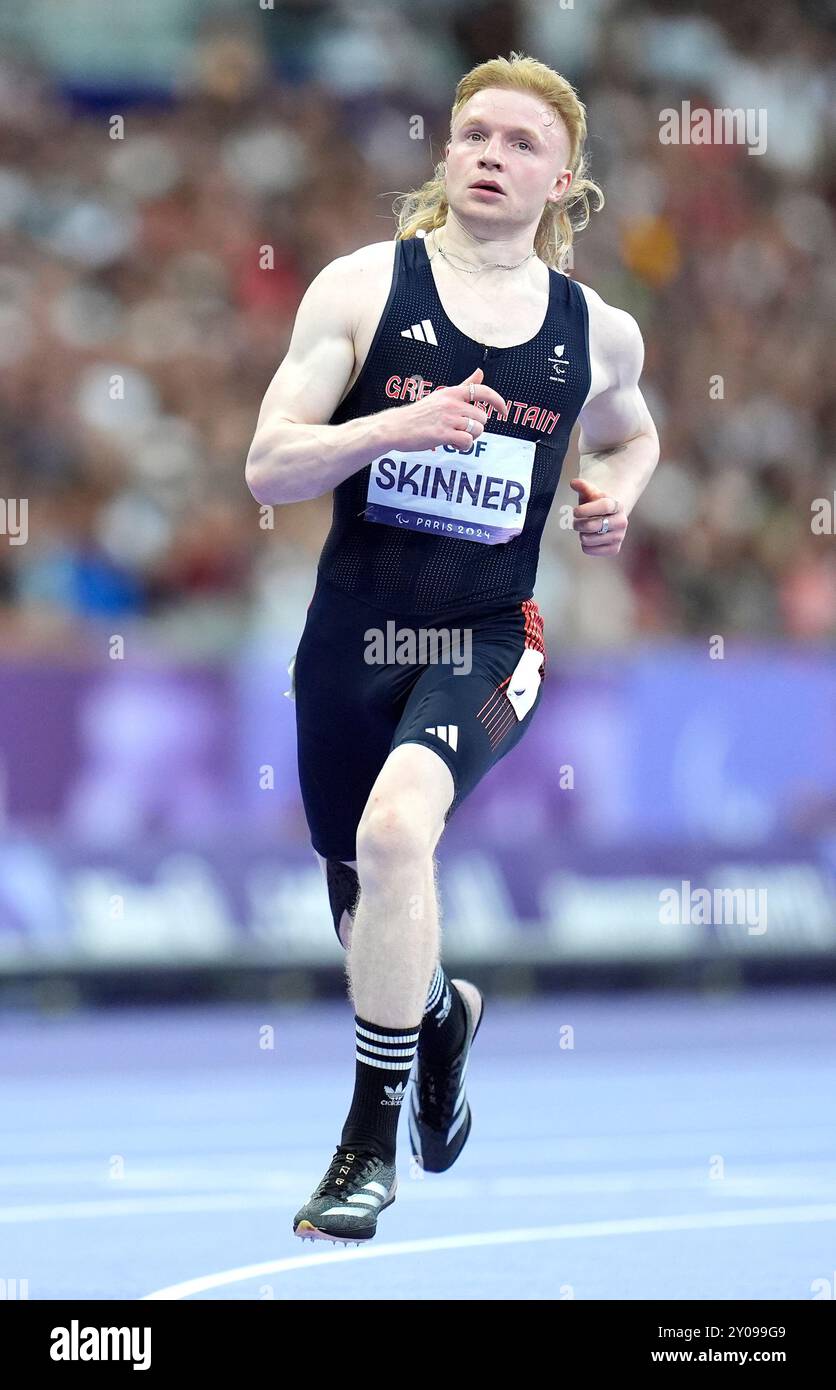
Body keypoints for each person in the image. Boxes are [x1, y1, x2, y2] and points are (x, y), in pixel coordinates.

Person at [245, 52, 659, 1244]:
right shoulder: (364, 288)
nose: (489, 154)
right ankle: (440, 1016)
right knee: (366, 907)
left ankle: (365, 1147)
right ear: (445, 153)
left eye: (520, 143)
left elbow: (632, 437)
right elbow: (268, 463)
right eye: (473, 133)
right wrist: (397, 424)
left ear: (561, 179)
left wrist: (611, 493)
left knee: (393, 831)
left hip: (489, 633)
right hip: (348, 640)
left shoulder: (597, 331)